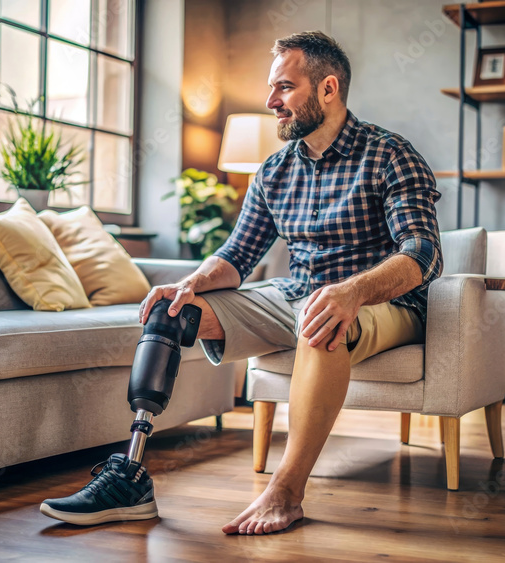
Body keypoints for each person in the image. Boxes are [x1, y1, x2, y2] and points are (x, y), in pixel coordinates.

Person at [41, 30, 442, 535]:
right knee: (172, 312)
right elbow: (236, 256)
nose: (271, 101)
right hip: (295, 293)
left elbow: (422, 254)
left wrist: (352, 291)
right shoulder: (273, 171)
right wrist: (191, 283)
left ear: (328, 89)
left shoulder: (389, 154)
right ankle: (131, 475)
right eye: (272, 88)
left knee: (322, 320)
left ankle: (286, 492)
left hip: (386, 303)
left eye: (285, 88)